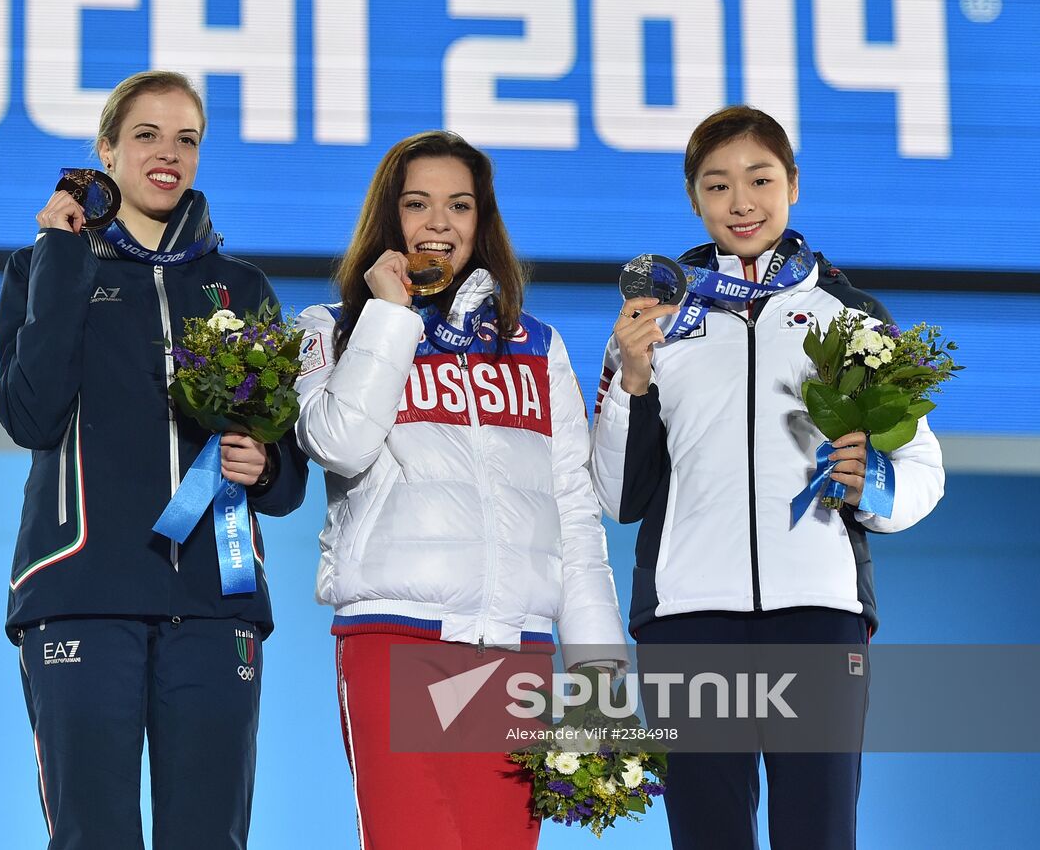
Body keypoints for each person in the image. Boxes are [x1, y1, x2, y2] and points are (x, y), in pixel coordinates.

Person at [590, 105, 945, 850]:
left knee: (819, 833)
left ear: (793, 185)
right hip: (689, 620)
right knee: (707, 836)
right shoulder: (654, 320)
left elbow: (920, 465)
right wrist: (631, 381)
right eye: (717, 185)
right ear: (694, 198)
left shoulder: (852, 315)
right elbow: (618, 496)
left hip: (818, 614)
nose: (741, 202)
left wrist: (871, 484)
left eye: (760, 179)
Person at [0, 70, 309, 850]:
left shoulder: (241, 287)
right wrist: (62, 254)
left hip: (216, 600)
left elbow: (289, 479)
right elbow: (30, 414)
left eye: (186, 139)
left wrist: (264, 466)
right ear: (106, 150)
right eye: (147, 136)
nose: (168, 154)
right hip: (81, 590)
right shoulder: (42, 268)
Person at [293, 130, 629, 849]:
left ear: (483, 221)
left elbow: (574, 514)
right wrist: (390, 316)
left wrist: (600, 677)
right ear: (390, 217)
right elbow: (337, 444)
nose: (439, 223)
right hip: (396, 642)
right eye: (417, 204)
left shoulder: (535, 345)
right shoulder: (333, 329)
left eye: (460, 205)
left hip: (516, 651)